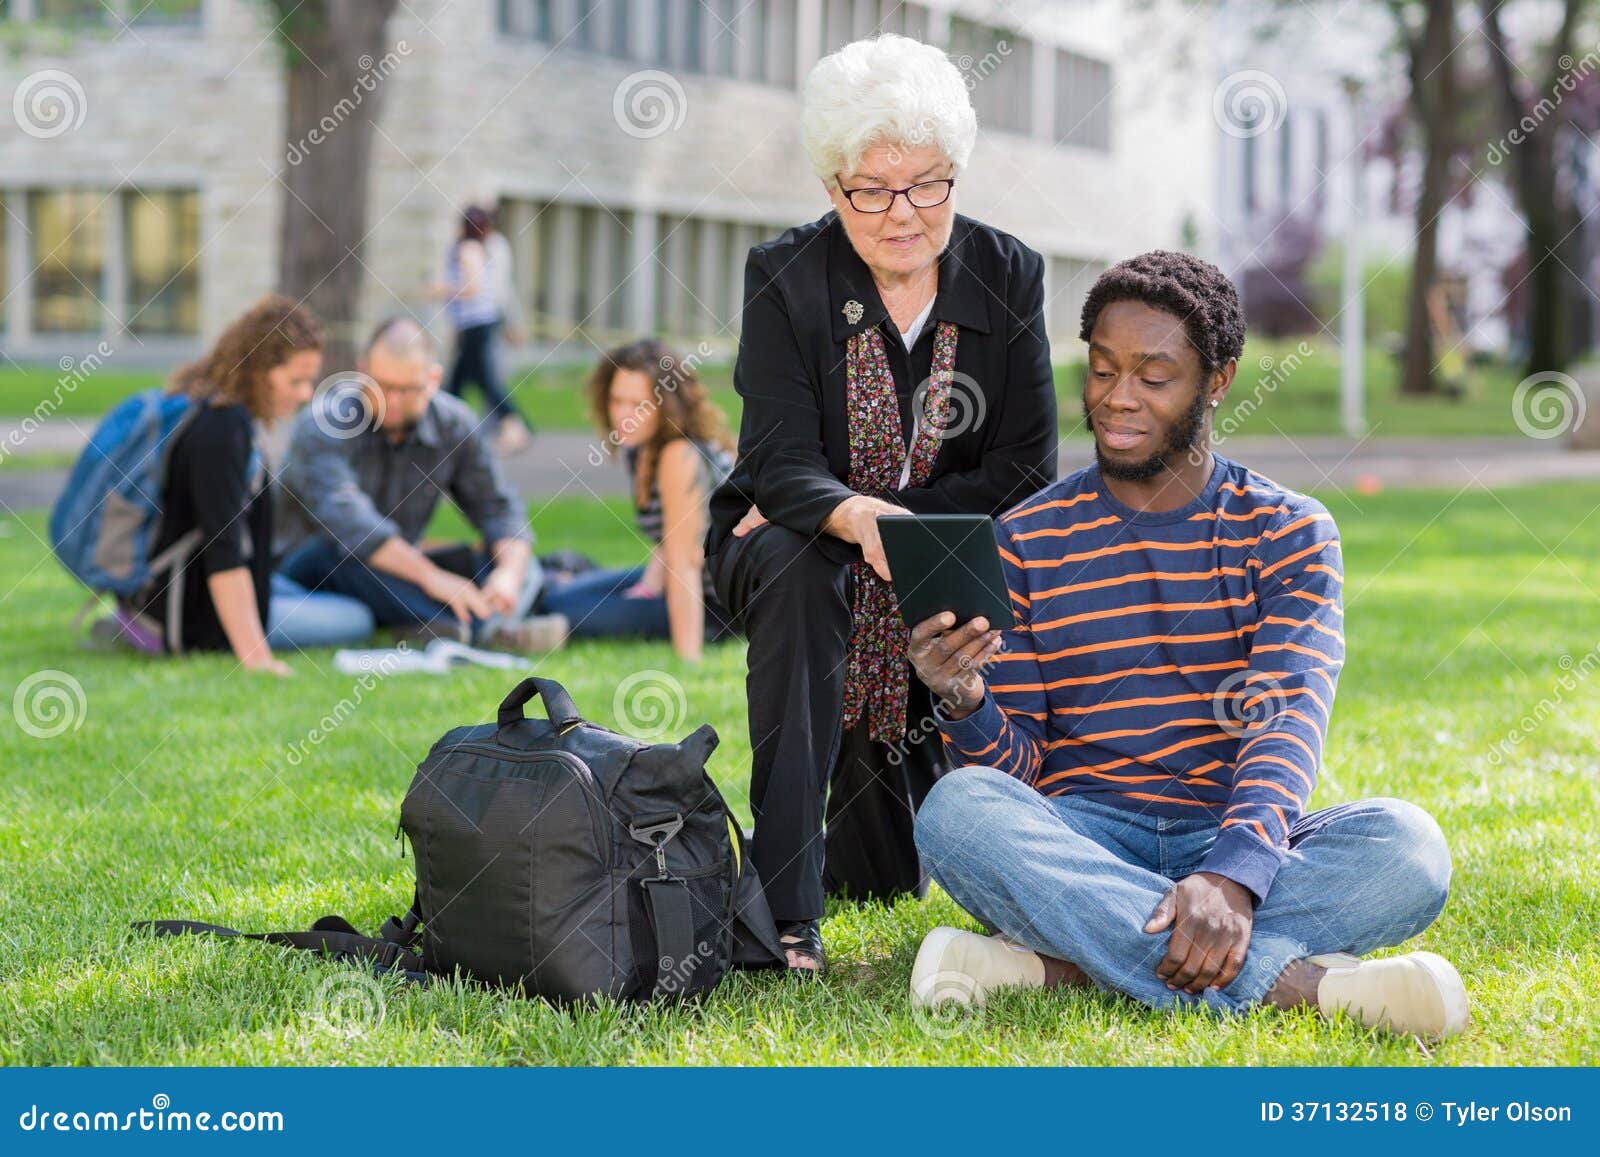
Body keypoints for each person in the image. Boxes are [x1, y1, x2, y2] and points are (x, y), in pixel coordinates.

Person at [907, 251, 1468, 1041]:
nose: (1117, 398)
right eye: (1102, 371)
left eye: (1153, 375)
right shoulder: (1024, 540)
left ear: (1218, 380)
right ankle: (1303, 988)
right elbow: (1019, 773)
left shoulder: (1288, 531)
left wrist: (1233, 878)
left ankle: (1054, 962)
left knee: (1409, 848)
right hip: (1083, 831)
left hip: (1231, 828)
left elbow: (1284, 720)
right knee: (958, 813)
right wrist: (964, 701)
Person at [704, 34, 1059, 974]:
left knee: (885, 873)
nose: (903, 212)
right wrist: (845, 517)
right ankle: (782, 909)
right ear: (834, 188)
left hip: (931, 563)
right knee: (791, 555)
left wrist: (882, 514)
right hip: (791, 550)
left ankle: (870, 831)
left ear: (956, 175)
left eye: (929, 184)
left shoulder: (1009, 272)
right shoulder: (785, 275)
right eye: (872, 189)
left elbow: (1025, 468)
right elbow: (777, 456)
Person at [275, 316, 566, 653]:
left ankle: (468, 619)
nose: (393, 401)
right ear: (361, 371)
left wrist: (508, 574)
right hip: (312, 571)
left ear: (433, 380)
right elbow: (355, 528)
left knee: (508, 557)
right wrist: (432, 578)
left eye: (407, 390)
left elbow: (497, 507)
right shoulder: (323, 424)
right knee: (343, 553)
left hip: (402, 568)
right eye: (382, 385)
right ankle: (482, 629)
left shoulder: (453, 424)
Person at [119, 295, 375, 671]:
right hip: (190, 615)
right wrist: (257, 658)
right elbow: (224, 550)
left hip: (161, 593)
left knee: (318, 588)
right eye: (296, 380)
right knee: (357, 617)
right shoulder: (224, 430)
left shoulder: (205, 403)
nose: (306, 394)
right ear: (258, 370)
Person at [538, 339, 736, 661]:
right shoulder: (641, 446)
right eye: (617, 401)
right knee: (558, 597)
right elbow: (670, 537)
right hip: (674, 581)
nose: (623, 415)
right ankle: (556, 581)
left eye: (638, 404)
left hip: (713, 606)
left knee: (564, 611)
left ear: (667, 405)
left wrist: (689, 657)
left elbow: (686, 561)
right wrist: (646, 588)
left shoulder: (679, 454)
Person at [436, 204, 532, 456]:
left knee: (481, 382)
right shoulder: (486, 248)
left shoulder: (469, 249)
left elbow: (472, 288)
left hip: (476, 324)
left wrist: (441, 289)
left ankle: (516, 427)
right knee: (461, 382)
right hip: (477, 324)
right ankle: (449, 432)